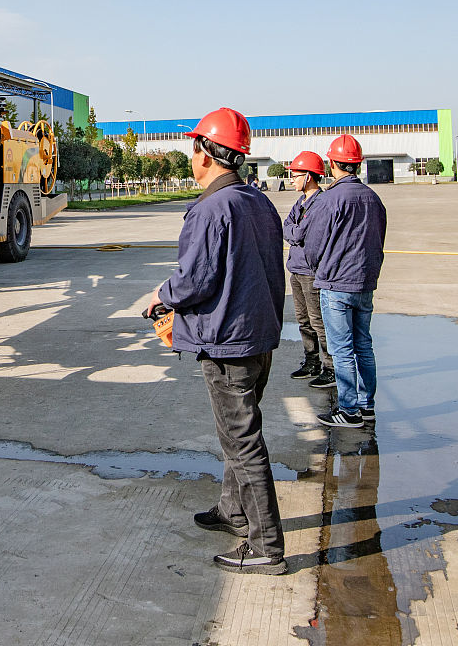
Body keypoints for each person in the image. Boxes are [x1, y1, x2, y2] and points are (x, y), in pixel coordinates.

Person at [148, 107, 287, 575]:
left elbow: (194, 281)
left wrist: (160, 295)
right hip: (258, 338)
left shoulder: (211, 208)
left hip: (228, 344)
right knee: (239, 437)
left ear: (205, 153)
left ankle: (267, 547)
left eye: (193, 147)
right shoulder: (260, 203)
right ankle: (234, 511)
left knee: (243, 444)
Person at [299, 134, 387, 428]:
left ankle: (348, 410)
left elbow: (312, 245)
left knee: (341, 349)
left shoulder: (330, 200)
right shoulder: (374, 199)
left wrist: (318, 268)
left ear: (332, 163)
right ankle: (367, 405)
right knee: (364, 346)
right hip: (365, 284)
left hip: (337, 284)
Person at [281, 151, 334, 386]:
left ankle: (330, 367)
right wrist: (295, 232)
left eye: (296, 174)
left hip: (311, 272)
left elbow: (303, 233)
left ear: (310, 176)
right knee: (303, 320)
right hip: (296, 269)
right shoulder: (300, 202)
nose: (292, 179)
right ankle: (311, 361)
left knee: (318, 321)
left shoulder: (321, 203)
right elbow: (288, 227)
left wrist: (295, 232)